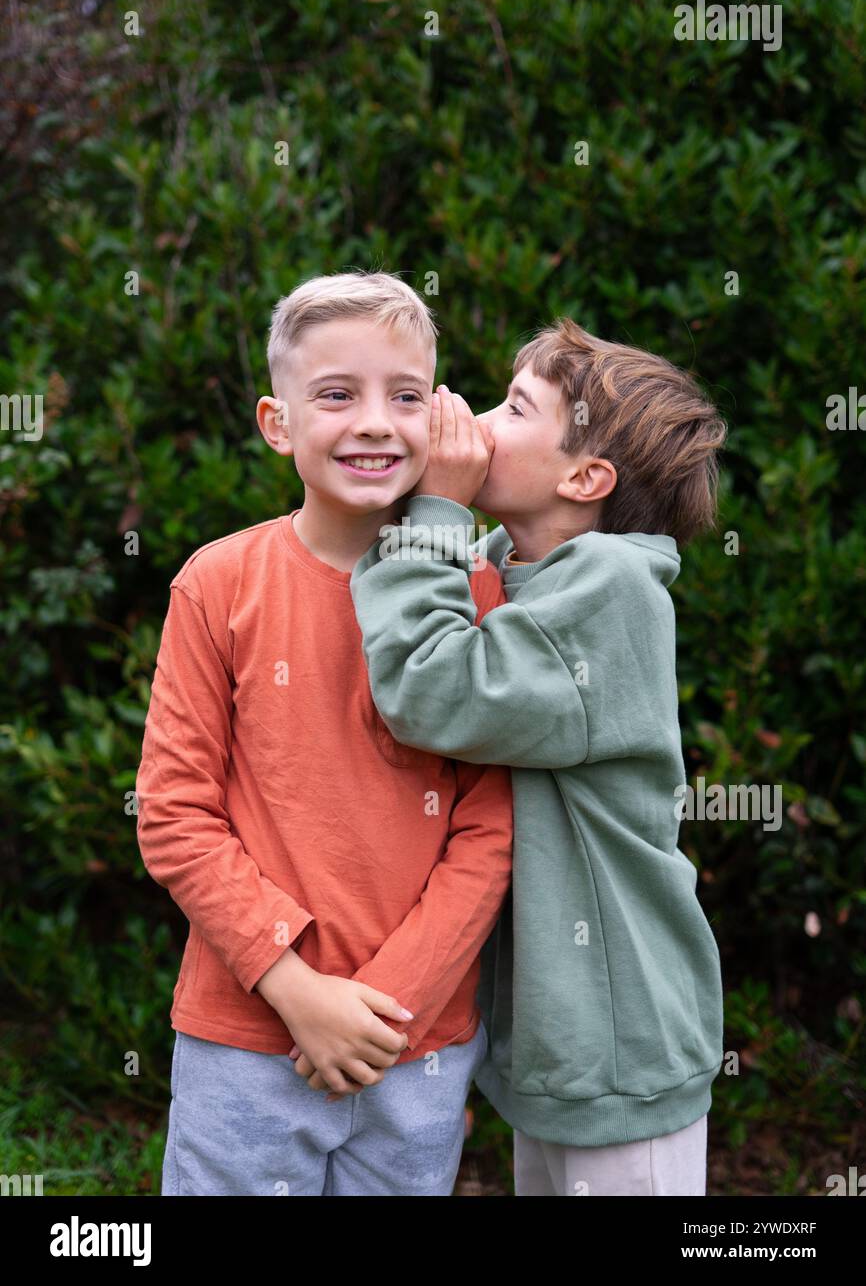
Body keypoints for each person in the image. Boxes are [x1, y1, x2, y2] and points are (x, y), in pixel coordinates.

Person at [135, 271, 513, 1196]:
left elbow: (492, 829)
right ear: (278, 423)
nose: (376, 423)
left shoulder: (479, 596)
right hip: (246, 1037)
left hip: (415, 1048)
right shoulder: (218, 584)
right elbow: (174, 813)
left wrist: (386, 1006)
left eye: (406, 396)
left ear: (440, 417)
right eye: (337, 395)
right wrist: (298, 992)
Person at [346, 318, 727, 1196]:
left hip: (621, 1039)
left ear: (585, 478)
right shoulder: (501, 565)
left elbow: (429, 688)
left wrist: (435, 507)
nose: (476, 419)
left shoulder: (615, 589)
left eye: (514, 408)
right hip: (561, 1046)